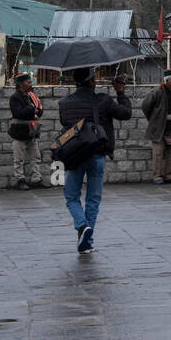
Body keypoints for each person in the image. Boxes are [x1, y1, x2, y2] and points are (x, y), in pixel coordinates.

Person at [58, 67, 132, 254]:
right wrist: (120, 91)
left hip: (75, 155)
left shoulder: (64, 103)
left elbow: (65, 124)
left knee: (71, 196)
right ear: (91, 81)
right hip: (97, 154)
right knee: (93, 198)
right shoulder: (103, 100)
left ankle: (82, 227)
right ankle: (87, 240)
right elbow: (125, 113)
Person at [141, 69, 171, 184]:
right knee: (158, 152)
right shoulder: (158, 91)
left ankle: (169, 175)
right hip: (159, 126)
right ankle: (157, 176)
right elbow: (145, 106)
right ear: (167, 80)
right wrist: (154, 119)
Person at [7, 72, 46, 189]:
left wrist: (35, 110)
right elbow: (18, 113)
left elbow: (39, 110)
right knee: (19, 159)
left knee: (36, 157)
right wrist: (31, 109)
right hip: (19, 132)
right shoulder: (15, 97)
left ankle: (36, 179)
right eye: (28, 82)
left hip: (31, 132)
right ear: (20, 84)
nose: (30, 84)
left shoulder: (31, 96)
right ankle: (20, 180)